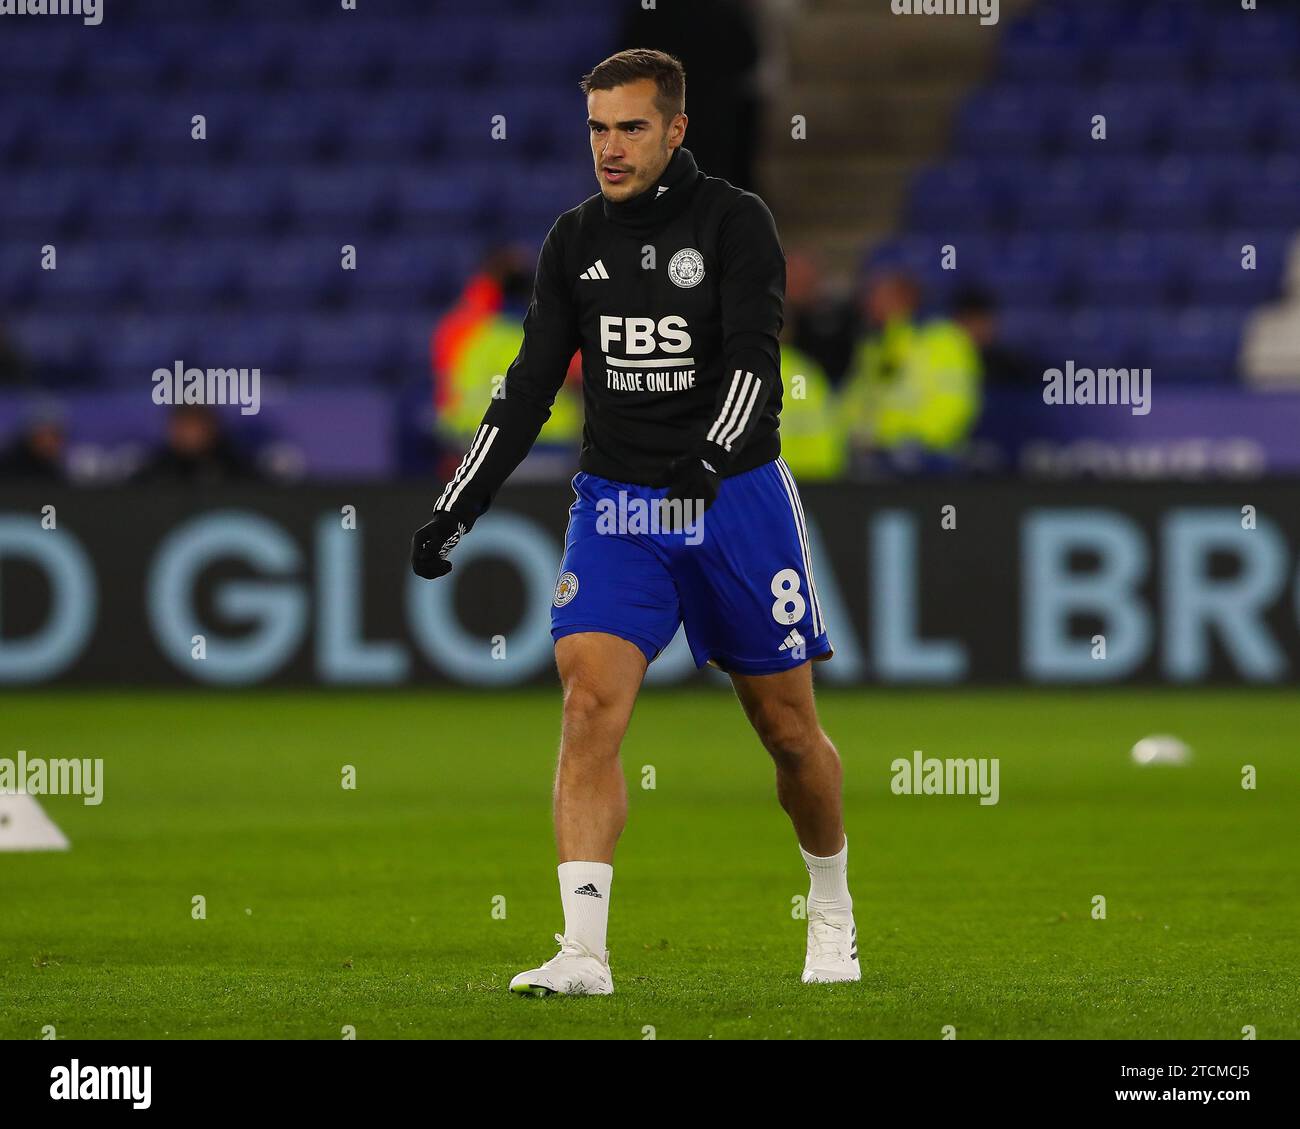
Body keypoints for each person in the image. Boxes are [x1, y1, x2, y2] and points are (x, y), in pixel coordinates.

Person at [410, 49, 857, 995]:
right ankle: (583, 951)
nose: (609, 149)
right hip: (616, 505)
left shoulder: (737, 222)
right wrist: (462, 502)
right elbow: (529, 388)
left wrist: (704, 462)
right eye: (598, 130)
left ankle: (831, 913)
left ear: (675, 129)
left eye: (630, 128)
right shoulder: (573, 239)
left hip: (734, 500)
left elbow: (753, 364)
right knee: (587, 705)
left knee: (787, 732)